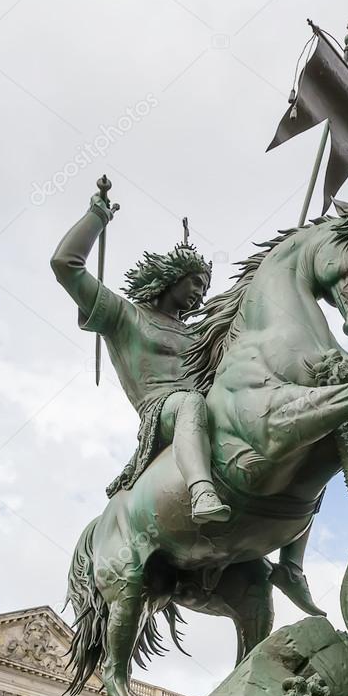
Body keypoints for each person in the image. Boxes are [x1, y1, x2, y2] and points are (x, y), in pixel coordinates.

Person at [50, 191, 231, 525]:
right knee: (189, 402)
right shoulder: (123, 315)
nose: (200, 294)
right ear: (173, 276)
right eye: (195, 282)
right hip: (162, 411)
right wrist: (98, 217)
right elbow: (66, 265)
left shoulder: (197, 335)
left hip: (206, 409)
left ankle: (291, 560)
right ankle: (202, 491)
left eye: (205, 290)